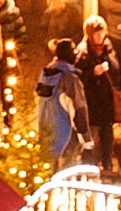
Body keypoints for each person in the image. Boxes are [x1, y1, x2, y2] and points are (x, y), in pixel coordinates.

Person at [76, 18, 121, 178]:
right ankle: (90, 165)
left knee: (107, 134)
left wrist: (108, 66)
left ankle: (107, 164)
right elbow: (78, 77)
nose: (99, 36)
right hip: (91, 101)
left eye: (101, 32)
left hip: (106, 101)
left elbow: (117, 69)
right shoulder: (83, 51)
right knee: (92, 135)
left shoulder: (109, 48)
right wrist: (92, 73)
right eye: (96, 33)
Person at [36, 38, 87, 168]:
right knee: (68, 169)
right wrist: (86, 137)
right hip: (66, 134)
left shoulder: (45, 74)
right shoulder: (69, 78)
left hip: (46, 130)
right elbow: (79, 108)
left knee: (47, 169)